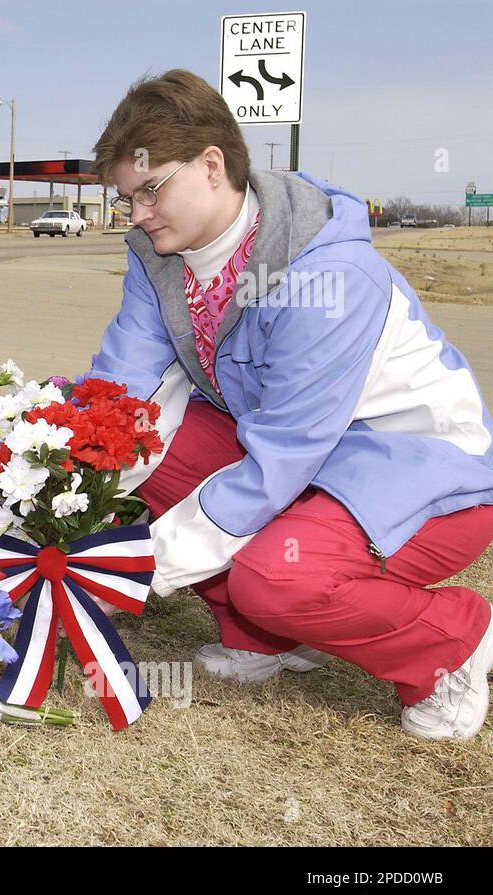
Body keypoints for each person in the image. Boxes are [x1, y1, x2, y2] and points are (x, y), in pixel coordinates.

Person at [86, 69, 493, 740]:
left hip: (419, 467)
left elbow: (281, 459)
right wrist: (54, 473)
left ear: (212, 166)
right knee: (139, 437)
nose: (138, 214)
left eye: (151, 190)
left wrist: (136, 566)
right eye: (128, 198)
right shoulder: (157, 258)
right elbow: (120, 386)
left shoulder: (328, 277)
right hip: (292, 448)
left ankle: (449, 642)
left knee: (275, 577)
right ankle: (263, 638)